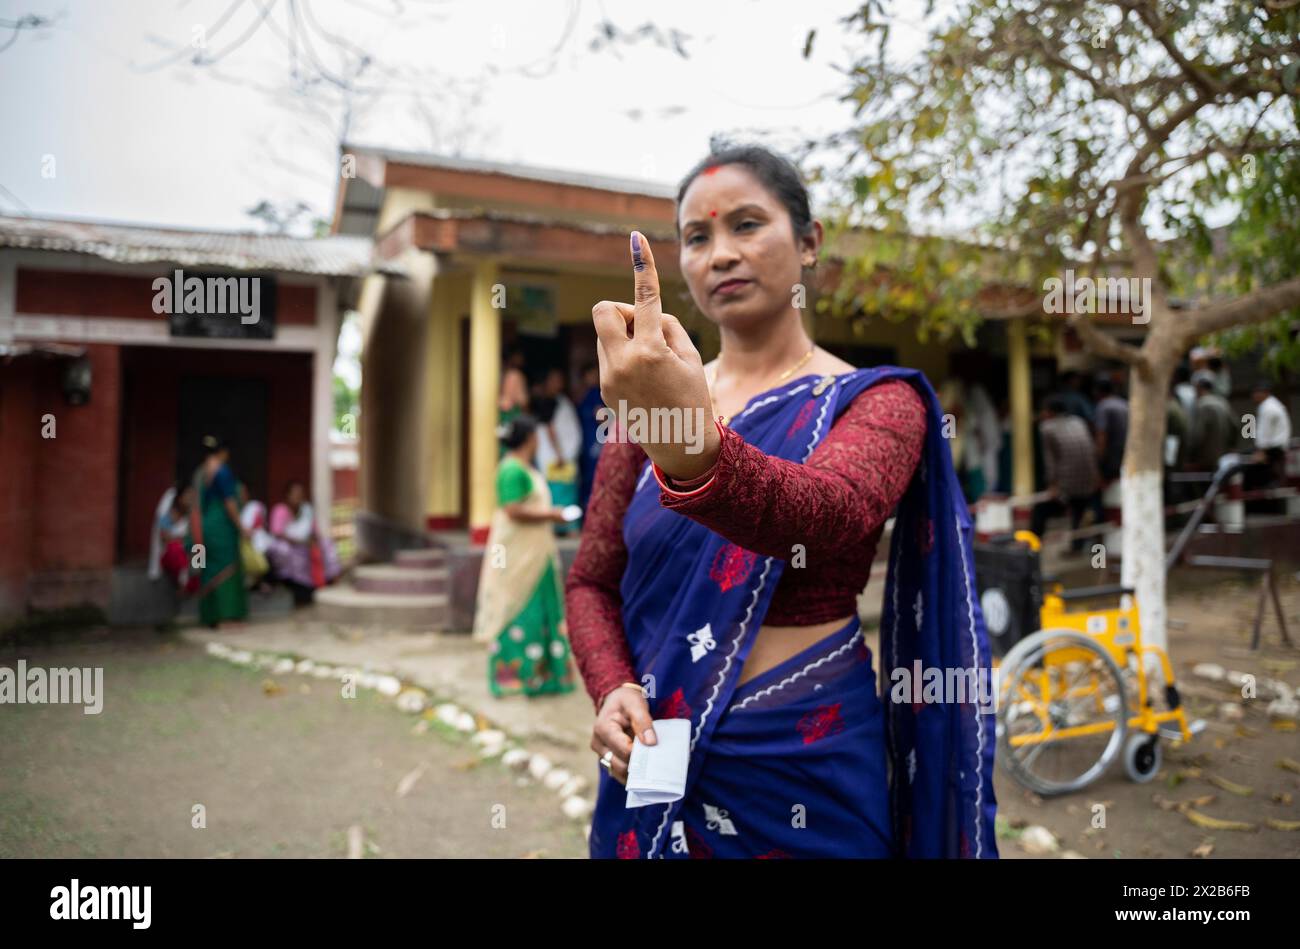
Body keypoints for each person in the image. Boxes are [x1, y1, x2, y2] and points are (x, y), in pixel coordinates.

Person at [567, 143, 997, 860]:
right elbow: (590, 579)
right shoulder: (644, 413)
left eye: (746, 224)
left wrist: (694, 443)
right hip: (654, 757)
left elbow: (826, 512)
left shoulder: (877, 401)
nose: (721, 254)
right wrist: (611, 686)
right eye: (697, 237)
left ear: (808, 242)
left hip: (807, 755)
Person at [472, 414, 577, 697]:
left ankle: (544, 676)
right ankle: (517, 678)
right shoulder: (512, 471)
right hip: (516, 553)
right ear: (531, 438)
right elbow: (512, 510)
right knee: (516, 605)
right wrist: (553, 515)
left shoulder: (524, 468)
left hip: (535, 552)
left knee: (540, 605)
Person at [191, 436, 249, 627]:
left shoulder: (201, 472)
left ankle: (210, 615)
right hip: (221, 525)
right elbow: (229, 502)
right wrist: (241, 527)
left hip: (206, 524)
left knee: (208, 566)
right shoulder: (222, 471)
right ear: (223, 452)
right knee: (227, 568)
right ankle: (227, 617)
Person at [1032, 395, 1101, 552]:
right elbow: (1090, 450)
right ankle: (1077, 547)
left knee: (1040, 510)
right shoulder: (1079, 422)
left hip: (1067, 484)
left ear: (1049, 412)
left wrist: (1052, 485)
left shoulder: (1046, 428)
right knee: (1080, 510)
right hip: (1088, 480)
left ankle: (1032, 548)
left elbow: (1051, 462)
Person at [267, 481, 341, 606]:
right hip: (288, 546)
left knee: (327, 545)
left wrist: (313, 541)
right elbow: (277, 533)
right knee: (284, 551)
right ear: (287, 495)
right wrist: (300, 541)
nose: (297, 497)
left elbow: (315, 532)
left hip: (305, 546)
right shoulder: (280, 510)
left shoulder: (306, 511)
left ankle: (330, 580)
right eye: (294, 494)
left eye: (300, 494)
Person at [533, 368, 583, 533]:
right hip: (554, 458)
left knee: (565, 492)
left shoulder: (561, 401)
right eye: (554, 379)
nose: (558, 382)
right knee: (558, 493)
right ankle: (565, 528)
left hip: (562, 456)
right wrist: (560, 453)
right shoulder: (549, 402)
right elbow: (550, 428)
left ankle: (566, 527)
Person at [1245, 380, 1292, 512]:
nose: (1253, 396)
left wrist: (1261, 452)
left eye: (1256, 393)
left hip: (1272, 450)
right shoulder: (1273, 404)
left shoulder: (1268, 407)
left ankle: (1256, 508)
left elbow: (1264, 434)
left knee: (1250, 472)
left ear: (1264, 393)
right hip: (1274, 448)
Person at [149, 481, 198, 593]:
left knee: (200, 548)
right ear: (180, 498)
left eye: (193, 496)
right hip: (172, 557)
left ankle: (195, 583)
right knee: (175, 548)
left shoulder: (195, 516)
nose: (190, 499)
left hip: (190, 555)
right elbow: (165, 538)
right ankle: (182, 583)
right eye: (188, 495)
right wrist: (183, 539)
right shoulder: (169, 515)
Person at [1187, 370, 1235, 472]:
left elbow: (1197, 435)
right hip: (1224, 456)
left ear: (1198, 388)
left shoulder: (1202, 405)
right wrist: (1231, 446)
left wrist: (1190, 454)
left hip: (1205, 459)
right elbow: (1236, 425)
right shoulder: (1223, 403)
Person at [576, 362, 605, 512]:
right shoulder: (594, 394)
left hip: (590, 442)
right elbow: (601, 417)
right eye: (592, 374)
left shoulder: (587, 395)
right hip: (594, 444)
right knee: (595, 478)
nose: (596, 377)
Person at [1093, 374, 1129, 482]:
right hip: (1127, 454)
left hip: (1112, 458)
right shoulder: (1124, 404)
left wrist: (1099, 461)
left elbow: (1102, 436)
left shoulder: (1103, 407)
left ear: (1096, 391)